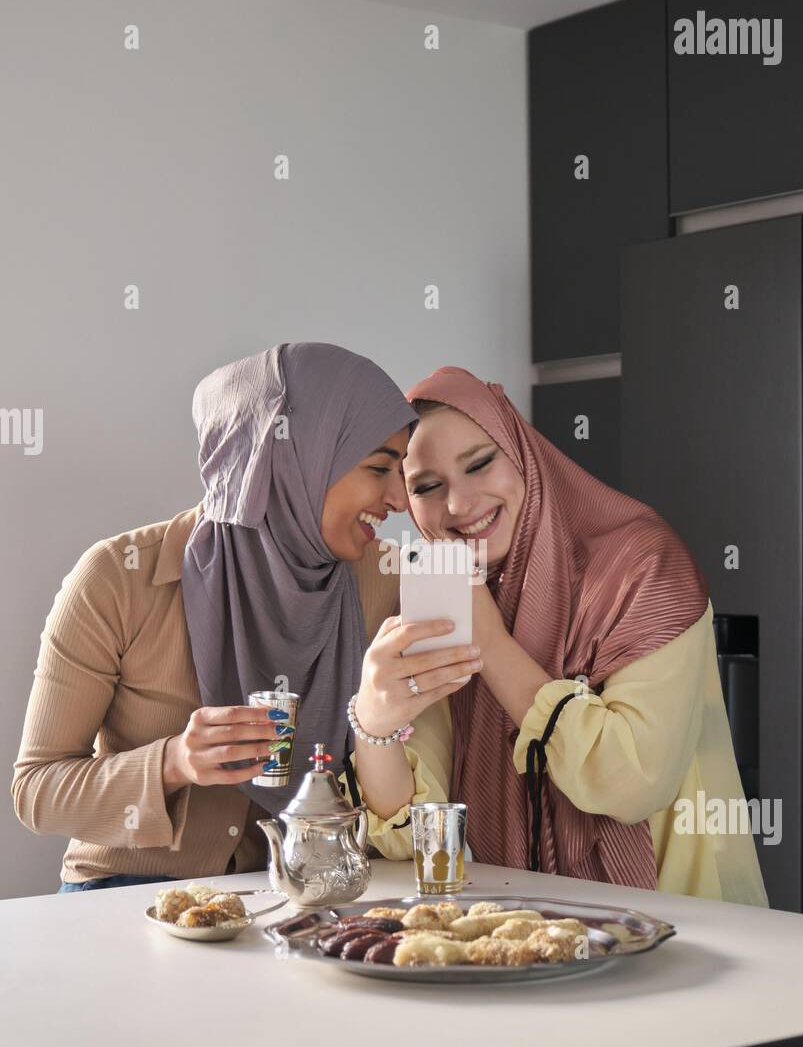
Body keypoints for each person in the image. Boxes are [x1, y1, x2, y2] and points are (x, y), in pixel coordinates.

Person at [12, 342, 479, 890]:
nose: (399, 500)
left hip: (299, 898)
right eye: (378, 468)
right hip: (125, 898)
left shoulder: (387, 581)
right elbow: (36, 790)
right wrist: (174, 763)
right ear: (289, 460)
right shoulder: (120, 577)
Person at [347, 366, 768, 907]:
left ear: (523, 454)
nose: (458, 504)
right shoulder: (446, 595)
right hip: (528, 934)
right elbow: (412, 838)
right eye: (427, 487)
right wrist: (375, 723)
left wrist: (493, 646)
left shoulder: (643, 565)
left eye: (480, 463)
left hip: (684, 922)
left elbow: (631, 783)